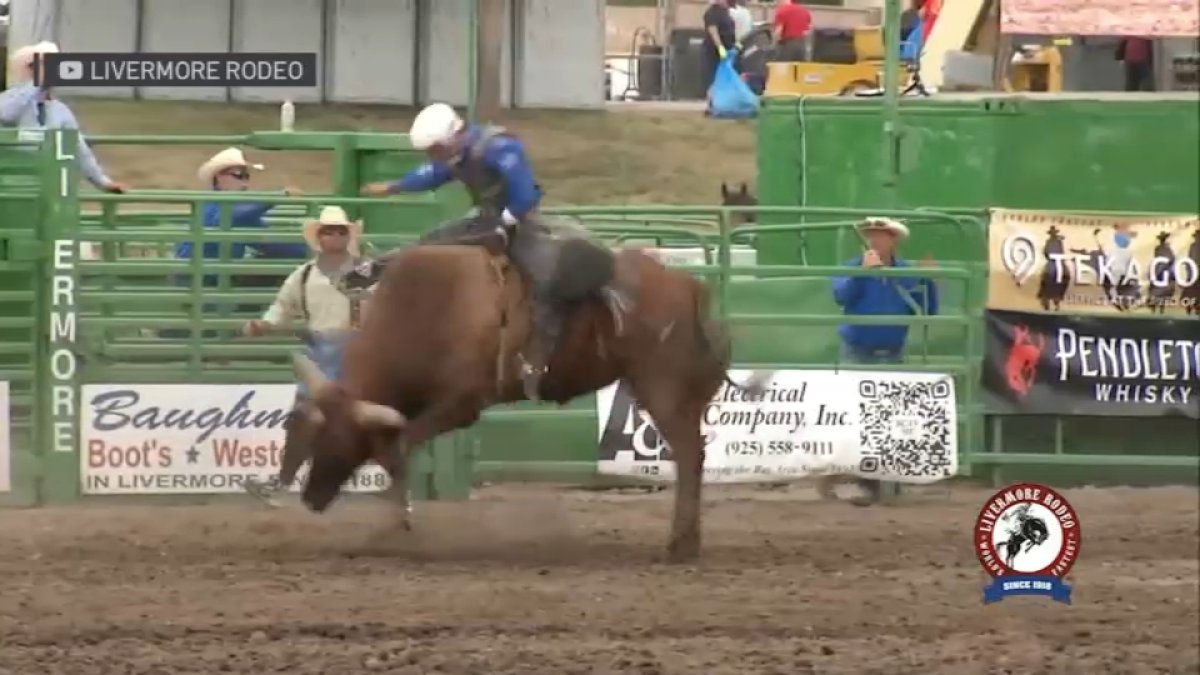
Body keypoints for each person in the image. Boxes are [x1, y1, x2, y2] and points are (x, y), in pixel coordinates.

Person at [358, 102, 593, 402]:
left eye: (435, 148)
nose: (433, 155)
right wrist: (397, 186)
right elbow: (432, 174)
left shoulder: (499, 148)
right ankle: (379, 270)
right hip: (487, 216)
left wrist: (504, 224)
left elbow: (525, 193)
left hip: (520, 219)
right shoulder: (456, 154)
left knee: (541, 275)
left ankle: (541, 353)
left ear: (453, 137)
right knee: (433, 241)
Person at [240, 205, 374, 505]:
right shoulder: (304, 275)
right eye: (330, 231)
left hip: (360, 353)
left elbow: (387, 305)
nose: (336, 236)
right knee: (305, 420)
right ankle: (283, 483)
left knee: (370, 423)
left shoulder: (365, 270)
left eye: (341, 231)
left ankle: (393, 490)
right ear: (320, 237)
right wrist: (264, 324)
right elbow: (282, 307)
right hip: (323, 351)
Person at [824, 217, 939, 506]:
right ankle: (859, 478)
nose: (875, 239)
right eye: (871, 234)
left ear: (893, 240)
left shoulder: (906, 272)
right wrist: (864, 273)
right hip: (857, 349)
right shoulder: (852, 267)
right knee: (855, 417)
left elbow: (927, 309)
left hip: (891, 351)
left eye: (881, 235)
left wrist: (929, 282)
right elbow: (840, 295)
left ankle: (885, 481)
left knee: (888, 418)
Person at [164, 147, 305, 339]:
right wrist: (278, 196)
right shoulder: (212, 203)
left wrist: (309, 250)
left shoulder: (242, 212)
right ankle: (168, 341)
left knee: (222, 315)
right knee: (209, 322)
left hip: (218, 275)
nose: (245, 182)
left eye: (246, 176)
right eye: (239, 175)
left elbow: (267, 241)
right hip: (195, 275)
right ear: (218, 178)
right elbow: (228, 218)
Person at [0, 41, 126, 193]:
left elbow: (78, 147)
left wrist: (103, 182)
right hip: (11, 184)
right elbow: (4, 114)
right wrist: (36, 83)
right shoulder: (11, 100)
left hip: (46, 185)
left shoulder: (60, 111)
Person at [702, 0, 736, 110]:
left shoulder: (725, 12)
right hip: (714, 51)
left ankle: (723, 104)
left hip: (728, 50)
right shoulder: (711, 13)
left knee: (724, 77)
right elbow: (713, 32)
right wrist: (720, 48)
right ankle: (710, 105)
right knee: (713, 77)